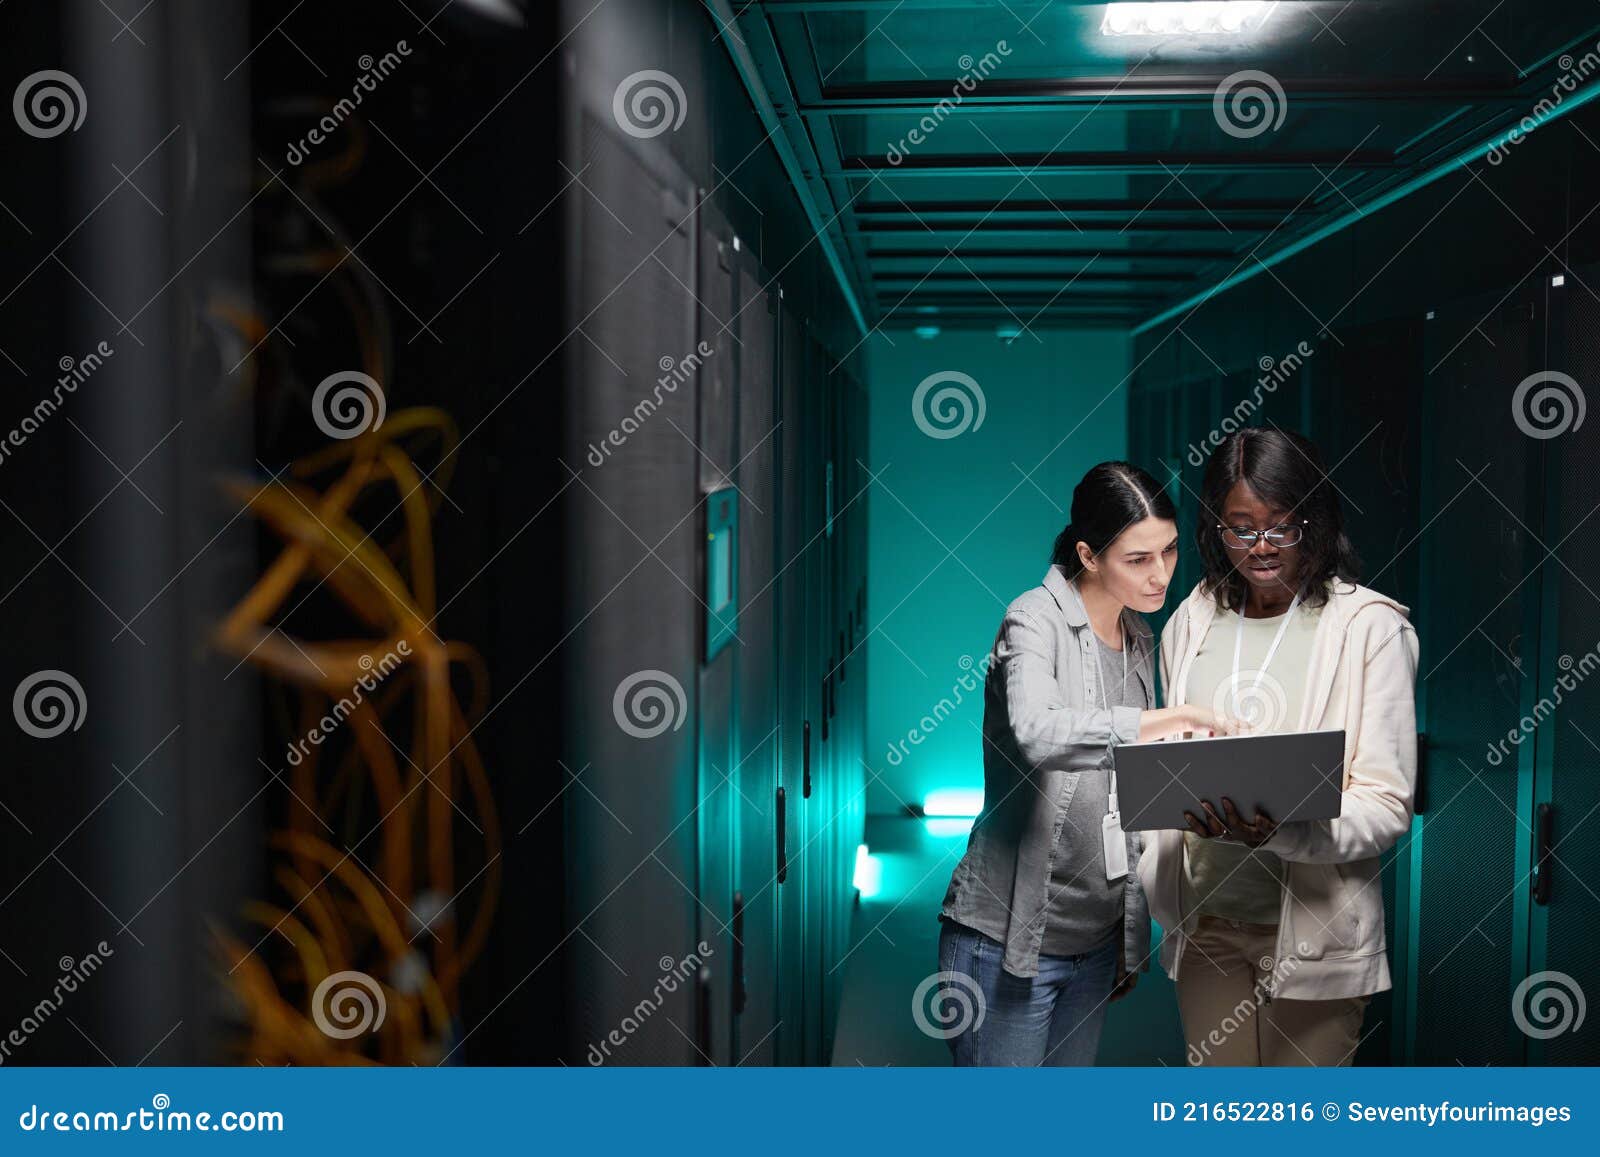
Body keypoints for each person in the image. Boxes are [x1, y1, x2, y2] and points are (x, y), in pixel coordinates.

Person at [937, 461, 1237, 1066]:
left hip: (1096, 943)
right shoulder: (1033, 620)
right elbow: (1038, 732)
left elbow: (1127, 797)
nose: (1161, 574)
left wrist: (1128, 937)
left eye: (1169, 551)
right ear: (1088, 555)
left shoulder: (1140, 638)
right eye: (1138, 559)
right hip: (1006, 937)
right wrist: (1167, 718)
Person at [1138, 427, 1418, 1066]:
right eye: (1240, 529)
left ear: (1313, 522)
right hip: (1207, 927)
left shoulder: (1370, 629)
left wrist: (1283, 832)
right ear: (1215, 529)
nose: (1261, 547)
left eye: (1280, 527)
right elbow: (1171, 763)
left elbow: (1386, 804)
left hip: (1317, 939)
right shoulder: (1192, 621)